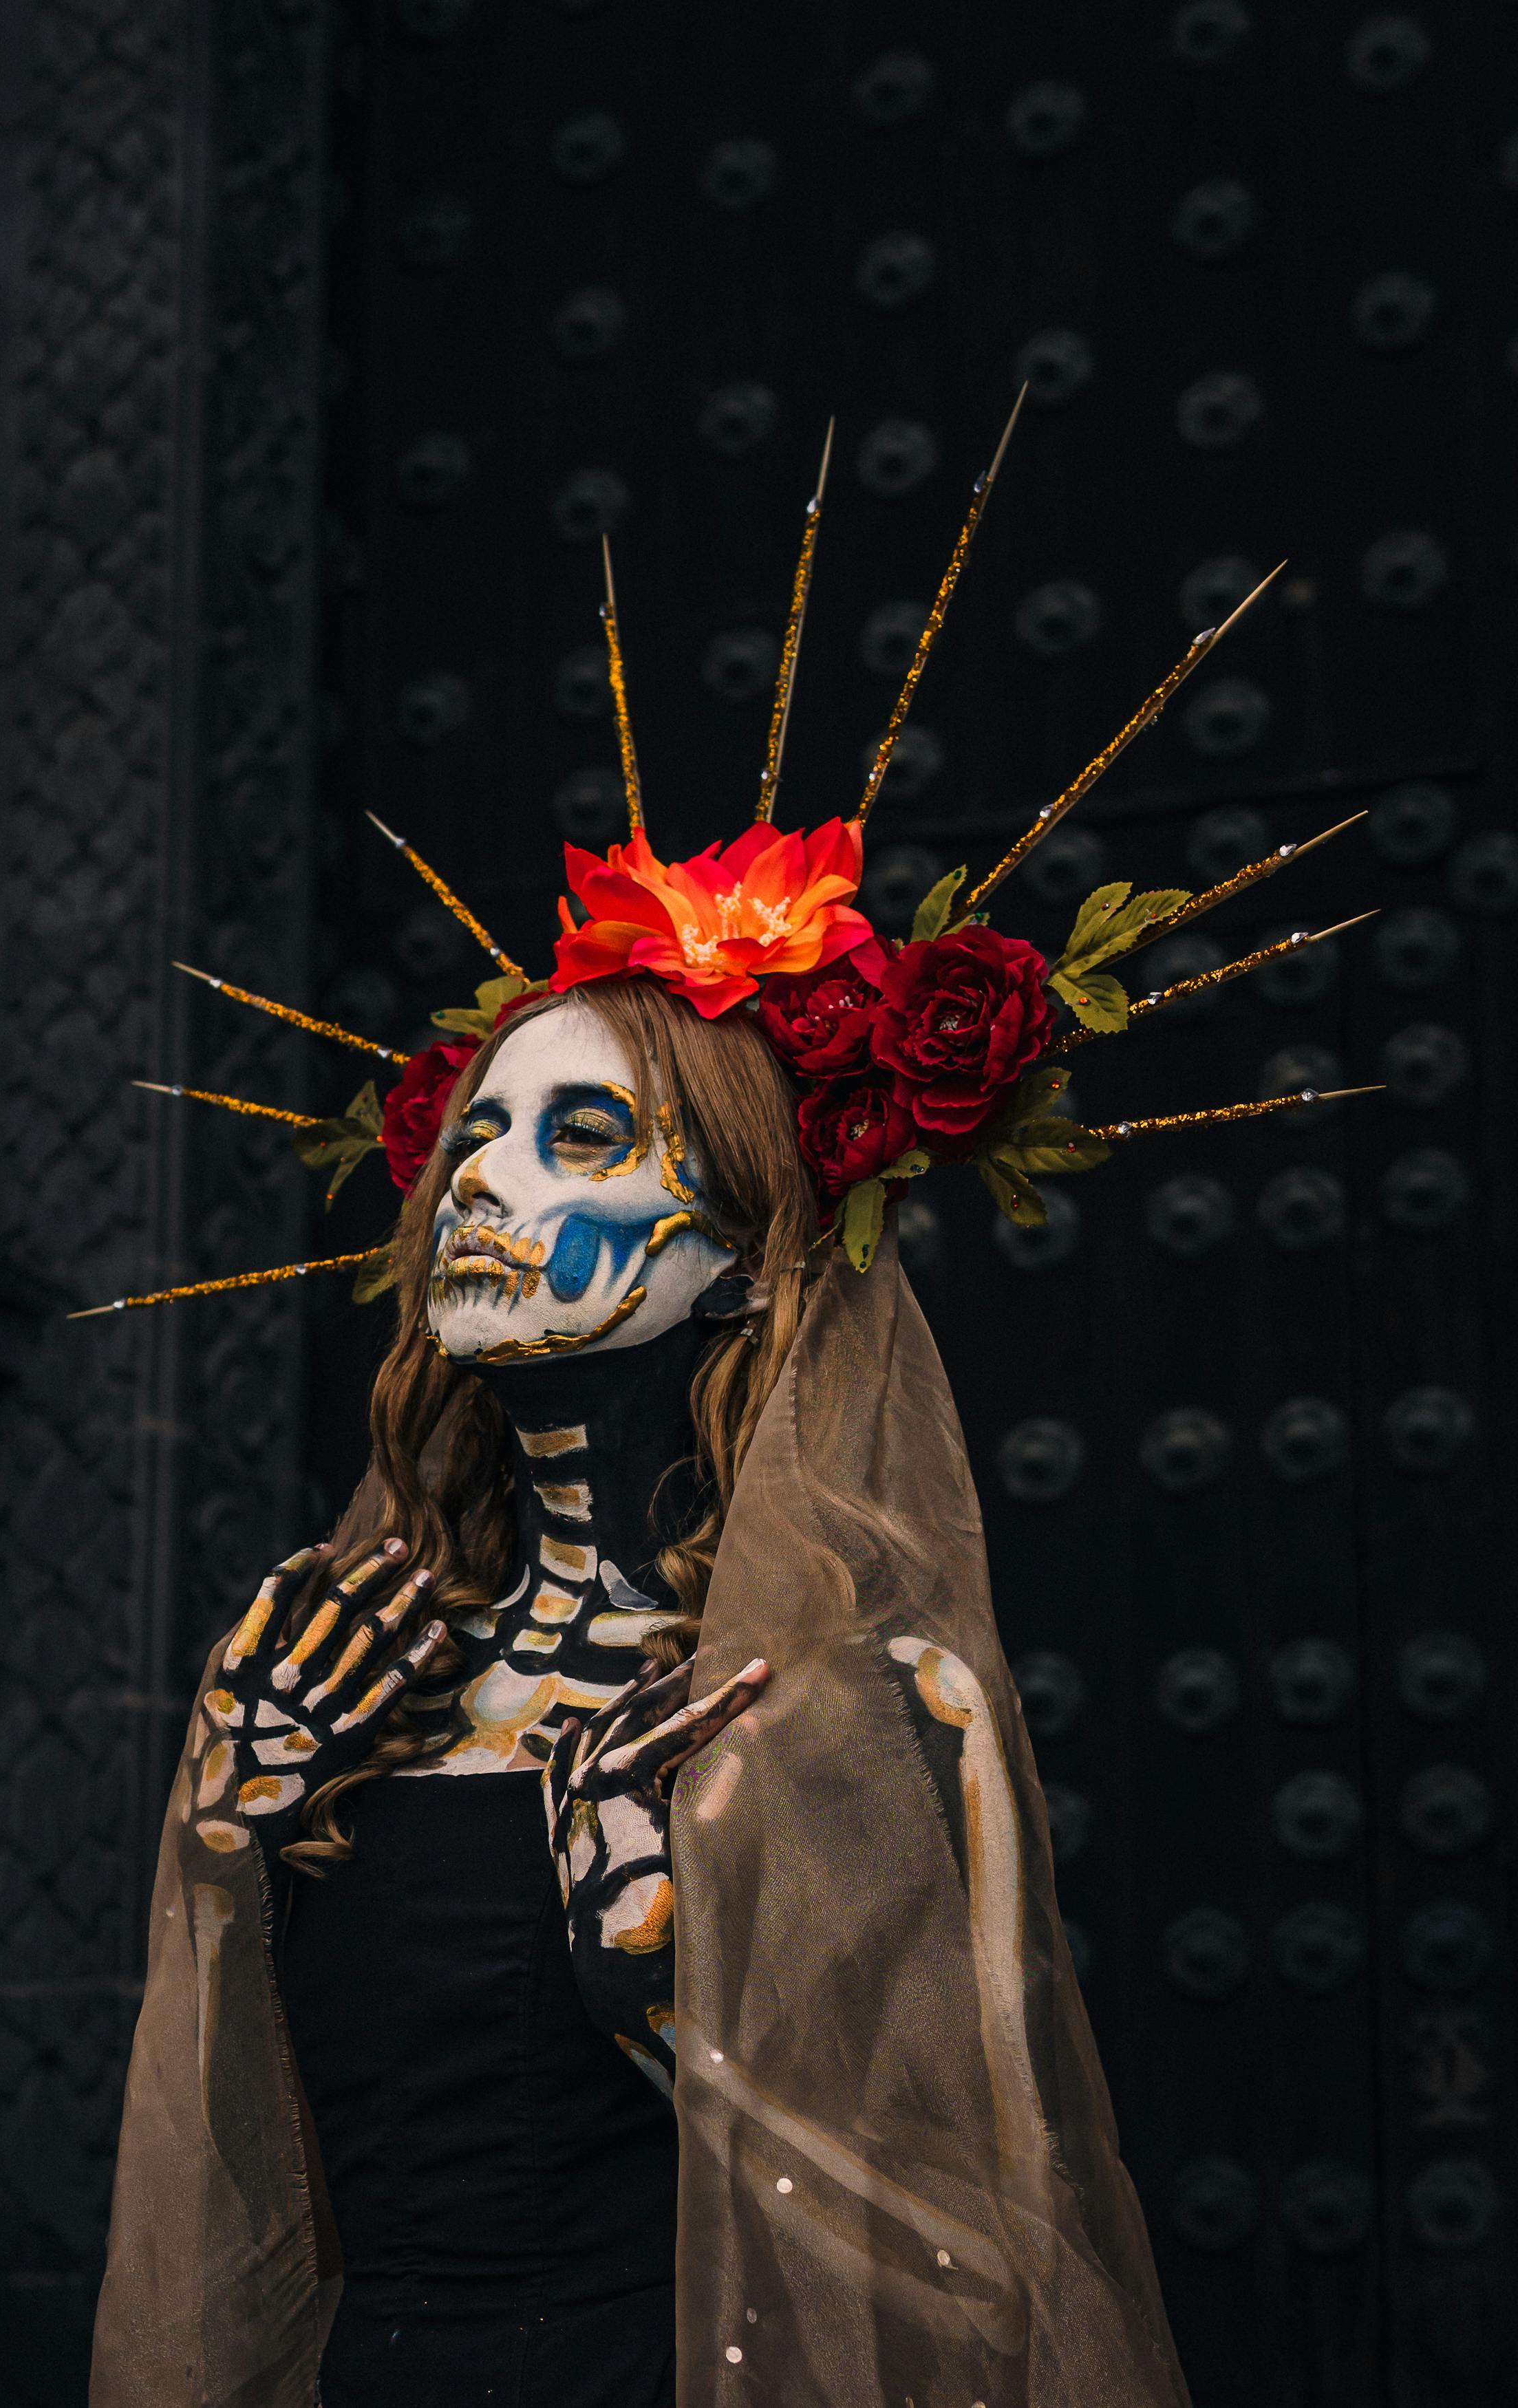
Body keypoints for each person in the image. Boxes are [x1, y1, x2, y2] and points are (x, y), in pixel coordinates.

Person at [85, 438, 1348, 2404]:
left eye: (583, 1135)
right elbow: (235, 2224)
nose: (483, 1188)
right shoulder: (332, 1667)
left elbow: (983, 2279)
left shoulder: (875, 1703)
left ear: (753, 1251)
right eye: (477, 1135)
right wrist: (232, 1858)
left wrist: (666, 1994)